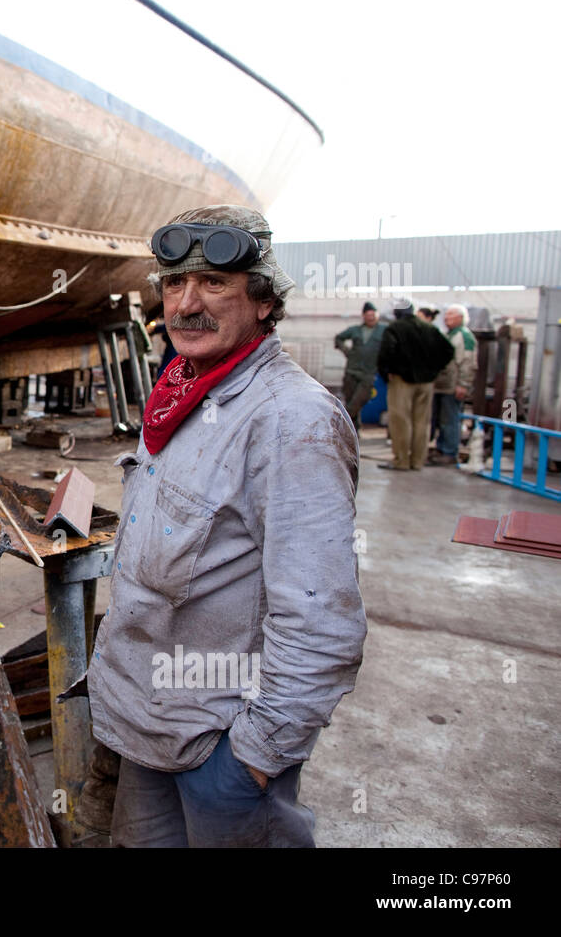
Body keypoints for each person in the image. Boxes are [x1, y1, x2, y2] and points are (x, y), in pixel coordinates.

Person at [84, 205, 367, 847]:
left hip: (221, 745)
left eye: (214, 284)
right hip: (148, 721)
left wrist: (258, 757)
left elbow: (321, 616)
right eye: (174, 284)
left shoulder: (291, 420)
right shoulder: (184, 391)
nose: (187, 304)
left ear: (263, 302)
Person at [376, 297, 454, 471]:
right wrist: (434, 370)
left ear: (397, 313)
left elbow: (385, 353)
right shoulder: (430, 328)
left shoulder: (395, 328)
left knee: (401, 421)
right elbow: (449, 350)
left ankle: (401, 461)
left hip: (401, 381)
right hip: (426, 383)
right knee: (422, 422)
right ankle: (418, 461)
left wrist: (386, 372)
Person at [430, 304, 477, 465]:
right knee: (442, 419)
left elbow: (468, 362)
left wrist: (463, 384)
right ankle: (442, 448)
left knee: (450, 419)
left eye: (450, 315)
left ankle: (450, 452)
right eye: (446, 315)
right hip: (443, 385)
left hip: (453, 385)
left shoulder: (464, 336)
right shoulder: (450, 334)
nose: (446, 318)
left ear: (460, 318)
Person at [333, 301, 386, 428]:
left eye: (373, 314)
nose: (371, 317)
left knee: (358, 400)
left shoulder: (383, 330)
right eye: (368, 314)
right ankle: (354, 429)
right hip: (352, 370)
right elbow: (338, 338)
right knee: (350, 398)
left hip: (369, 372)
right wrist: (347, 351)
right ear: (363, 316)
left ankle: (341, 425)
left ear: (377, 315)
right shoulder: (356, 330)